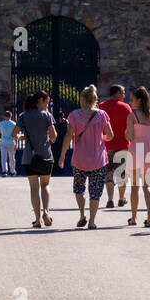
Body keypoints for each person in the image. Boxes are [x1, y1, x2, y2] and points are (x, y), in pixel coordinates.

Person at [58, 85, 114, 229]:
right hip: (98, 159)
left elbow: (68, 136)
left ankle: (82, 215)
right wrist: (101, 137)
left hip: (79, 159)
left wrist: (62, 156)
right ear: (95, 99)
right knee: (95, 191)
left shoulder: (74, 115)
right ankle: (92, 221)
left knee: (79, 188)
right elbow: (111, 135)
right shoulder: (102, 115)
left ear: (82, 99)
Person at [17, 94, 57, 228]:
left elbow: (13, 134)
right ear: (40, 101)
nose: (48, 104)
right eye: (47, 102)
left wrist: (24, 139)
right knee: (45, 185)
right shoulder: (47, 115)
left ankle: (38, 220)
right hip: (45, 155)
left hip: (29, 157)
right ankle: (46, 211)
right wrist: (49, 140)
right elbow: (53, 135)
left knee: (33, 188)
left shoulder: (23, 116)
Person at [125, 87, 150, 228]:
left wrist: (126, 133)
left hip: (135, 150)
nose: (130, 101)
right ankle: (149, 214)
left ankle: (133, 218)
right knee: (147, 186)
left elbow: (130, 136)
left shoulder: (132, 115)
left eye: (132, 99)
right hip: (149, 151)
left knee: (135, 187)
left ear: (139, 100)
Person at [100, 85, 132, 208]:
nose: (124, 95)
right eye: (123, 92)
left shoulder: (101, 107)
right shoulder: (126, 107)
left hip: (107, 145)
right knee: (122, 173)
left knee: (108, 173)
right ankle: (121, 198)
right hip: (123, 144)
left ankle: (110, 199)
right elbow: (130, 126)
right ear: (118, 93)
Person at [0, 110, 18, 177]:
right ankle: (12, 171)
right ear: (11, 116)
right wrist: (16, 144)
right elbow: (16, 135)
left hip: (3, 142)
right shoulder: (14, 124)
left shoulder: (1, 123)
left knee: (4, 157)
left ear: (4, 116)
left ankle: (4, 171)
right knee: (12, 158)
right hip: (11, 142)